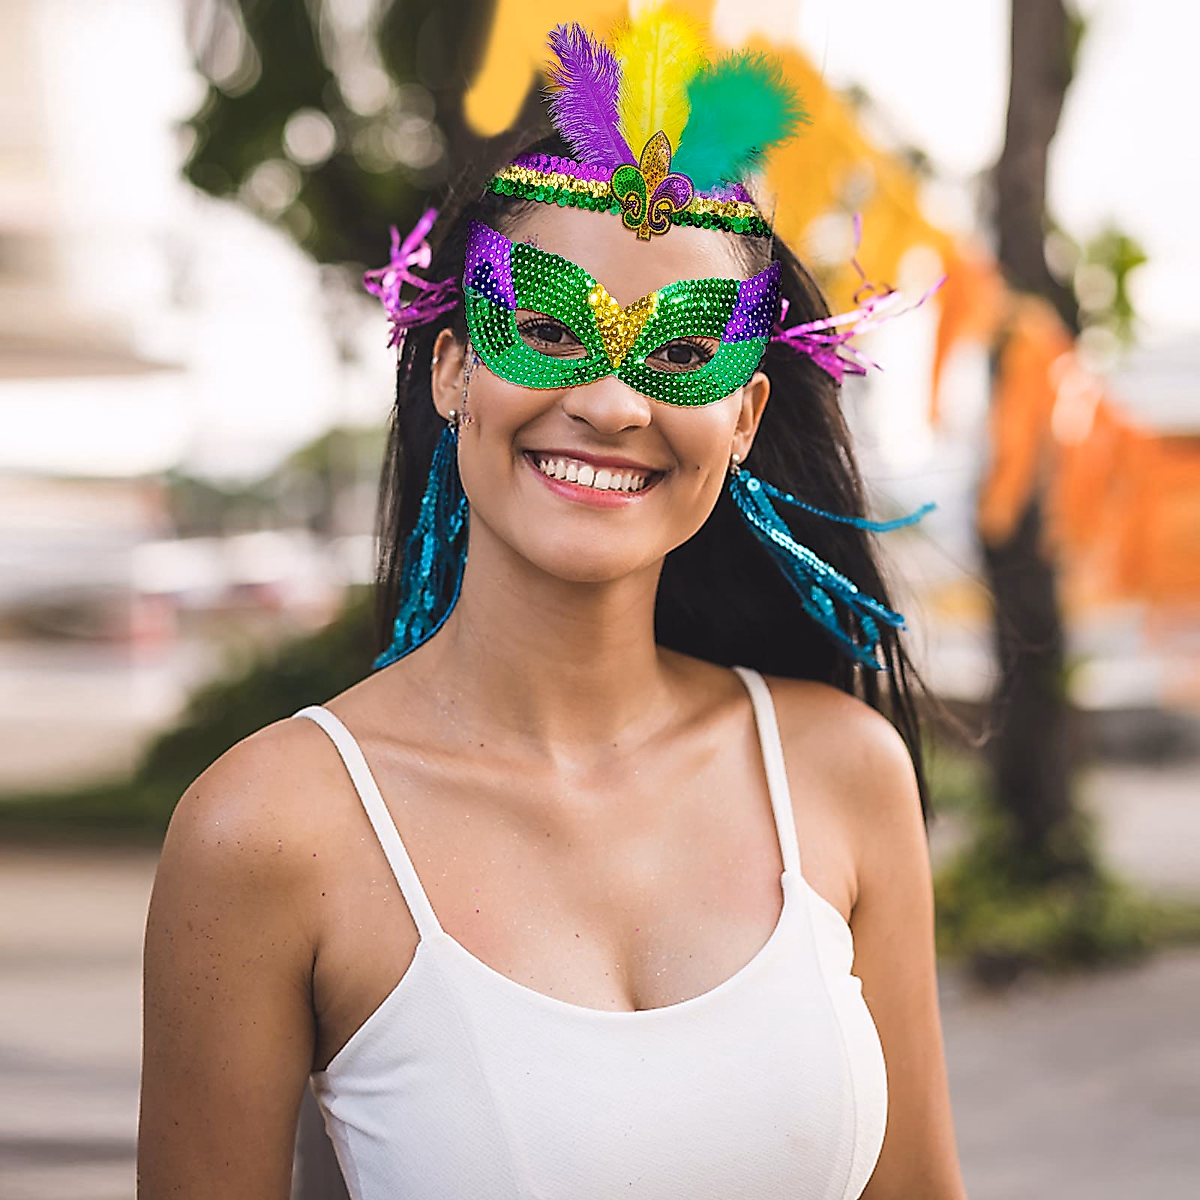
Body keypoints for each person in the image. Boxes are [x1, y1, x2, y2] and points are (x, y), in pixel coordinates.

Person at [139, 11, 966, 1198]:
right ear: (453, 364)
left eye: (683, 355)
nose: (614, 402)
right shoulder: (272, 830)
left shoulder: (842, 771)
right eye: (544, 327)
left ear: (742, 418)